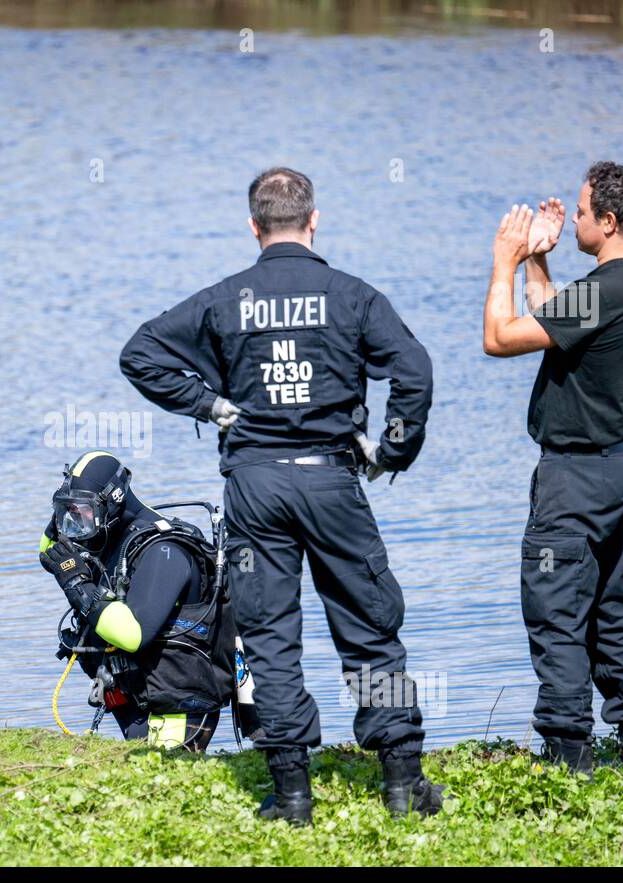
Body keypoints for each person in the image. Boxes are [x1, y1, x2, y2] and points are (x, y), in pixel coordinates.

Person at [119, 167, 442, 822]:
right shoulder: (351, 296)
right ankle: (403, 784)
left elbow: (141, 352)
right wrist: (394, 449)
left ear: (254, 227)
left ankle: (293, 795)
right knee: (369, 625)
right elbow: (415, 368)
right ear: (313, 220)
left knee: (268, 632)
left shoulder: (225, 299)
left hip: (256, 484)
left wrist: (209, 404)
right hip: (331, 478)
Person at [482, 162, 623, 776]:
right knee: (615, 612)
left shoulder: (604, 291)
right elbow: (559, 326)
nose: (577, 219)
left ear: (610, 222)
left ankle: (569, 759)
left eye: (585, 214)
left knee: (558, 615)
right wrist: (541, 261)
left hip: (573, 481)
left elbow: (502, 336)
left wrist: (506, 259)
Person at [39, 451, 238, 751]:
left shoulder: (163, 551)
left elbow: (132, 635)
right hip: (133, 690)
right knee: (140, 772)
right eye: (66, 513)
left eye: (81, 512)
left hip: (176, 702)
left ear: (113, 501)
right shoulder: (106, 533)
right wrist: (63, 516)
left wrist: (79, 586)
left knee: (167, 778)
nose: (73, 525)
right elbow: (48, 552)